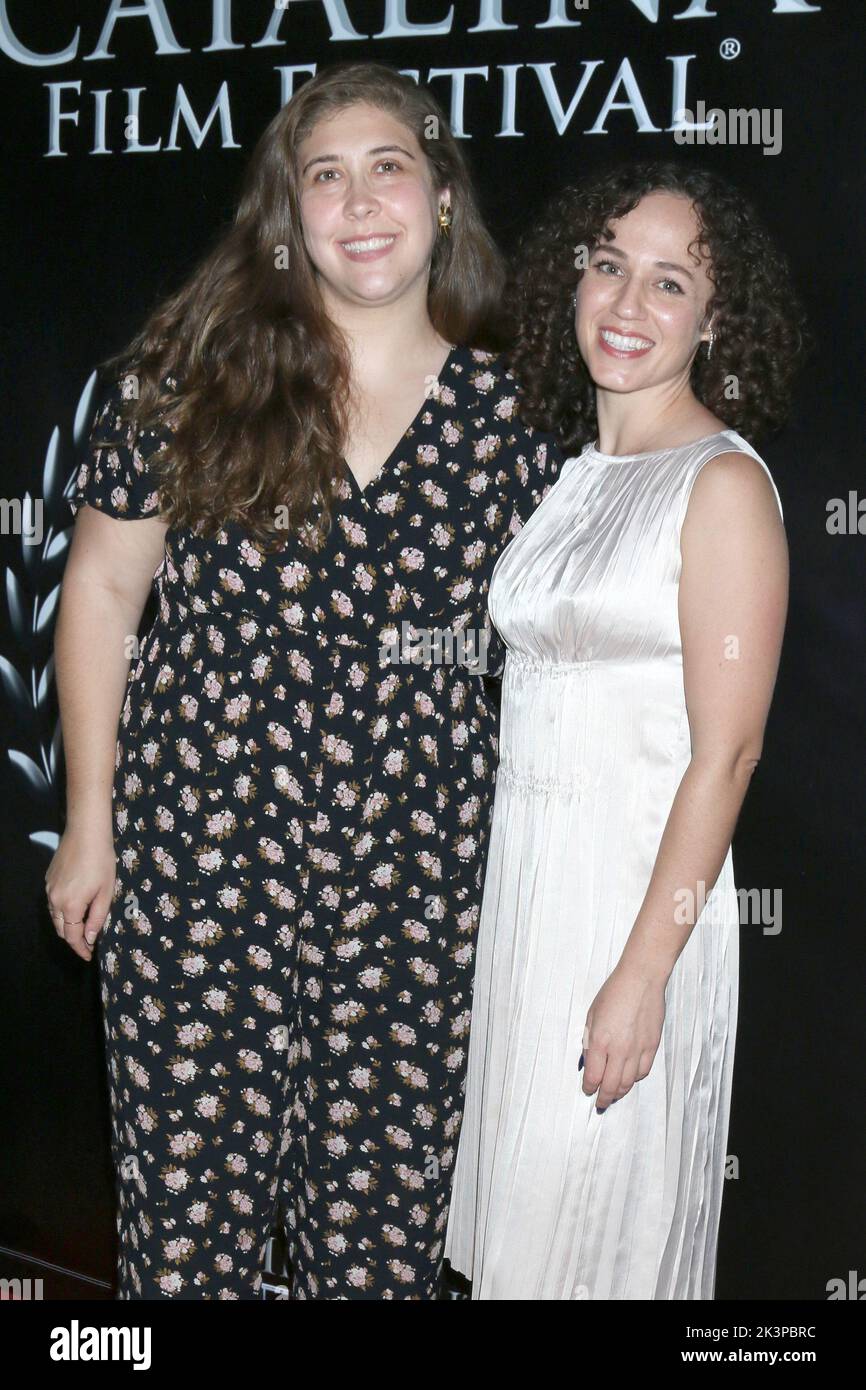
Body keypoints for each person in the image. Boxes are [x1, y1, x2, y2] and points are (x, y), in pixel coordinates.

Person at [47, 61, 562, 1301]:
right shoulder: (191, 377)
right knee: (183, 1233)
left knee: (376, 1244)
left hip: (414, 880)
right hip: (199, 855)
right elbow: (104, 595)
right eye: (323, 175)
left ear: (441, 195)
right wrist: (87, 822)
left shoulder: (521, 413)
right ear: (289, 215)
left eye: (388, 164)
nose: (359, 199)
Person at [445, 160, 807, 1299]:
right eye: (608, 267)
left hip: (632, 912)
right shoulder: (574, 478)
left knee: (595, 1245)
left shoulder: (721, 486)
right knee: (519, 1248)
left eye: (666, 284)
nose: (624, 305)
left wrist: (643, 973)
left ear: (713, 319)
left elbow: (730, 750)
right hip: (529, 906)